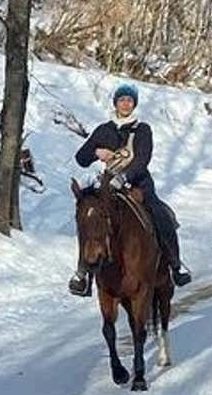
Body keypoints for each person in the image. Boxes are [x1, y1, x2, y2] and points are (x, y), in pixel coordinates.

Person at [70, 81, 187, 296]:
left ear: (134, 105)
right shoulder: (103, 130)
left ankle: (175, 264)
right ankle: (82, 273)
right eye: (122, 100)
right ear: (115, 103)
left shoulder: (142, 129)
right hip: (108, 187)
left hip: (138, 182)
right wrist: (97, 152)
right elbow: (81, 158)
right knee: (89, 221)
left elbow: (143, 159)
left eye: (130, 100)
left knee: (161, 214)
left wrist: (125, 175)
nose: (125, 104)